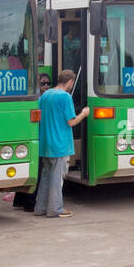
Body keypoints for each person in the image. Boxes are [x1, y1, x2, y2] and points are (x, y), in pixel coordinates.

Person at [35, 68, 89, 218]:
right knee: (57, 178)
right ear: (70, 82)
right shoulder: (65, 97)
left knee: (46, 176)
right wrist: (83, 114)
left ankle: (40, 207)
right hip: (60, 144)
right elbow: (71, 122)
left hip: (46, 143)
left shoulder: (45, 95)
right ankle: (55, 208)